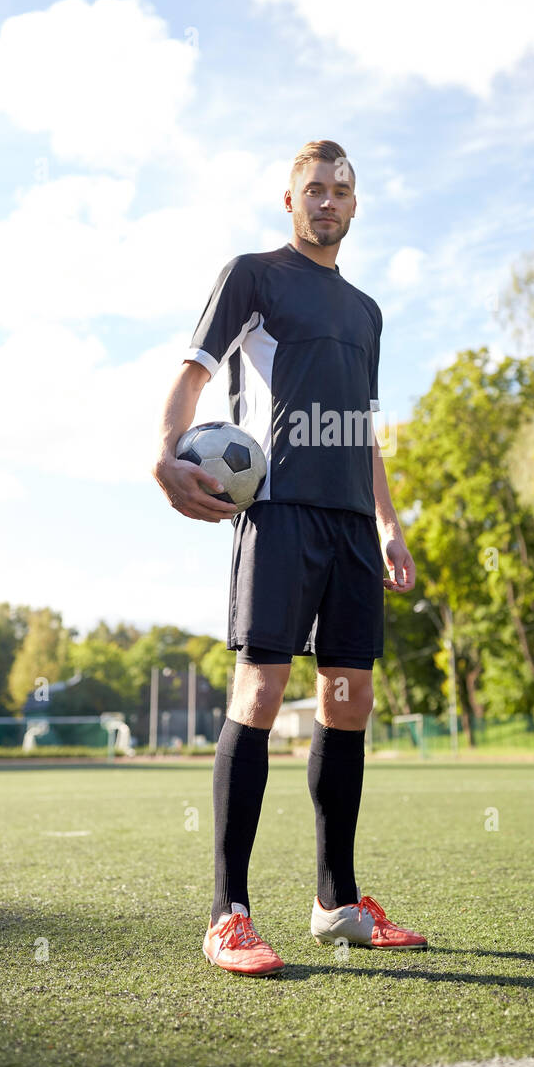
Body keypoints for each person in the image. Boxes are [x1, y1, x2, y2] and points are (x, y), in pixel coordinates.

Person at [152, 140, 425, 975]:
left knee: (348, 702)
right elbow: (194, 375)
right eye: (314, 188)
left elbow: (364, 428)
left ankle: (336, 904)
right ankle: (227, 914)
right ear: (288, 199)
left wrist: (387, 521)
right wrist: (165, 452)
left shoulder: (369, 312)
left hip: (349, 525)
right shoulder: (252, 275)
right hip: (276, 513)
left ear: (355, 203)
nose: (328, 201)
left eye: (341, 190)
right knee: (261, 689)